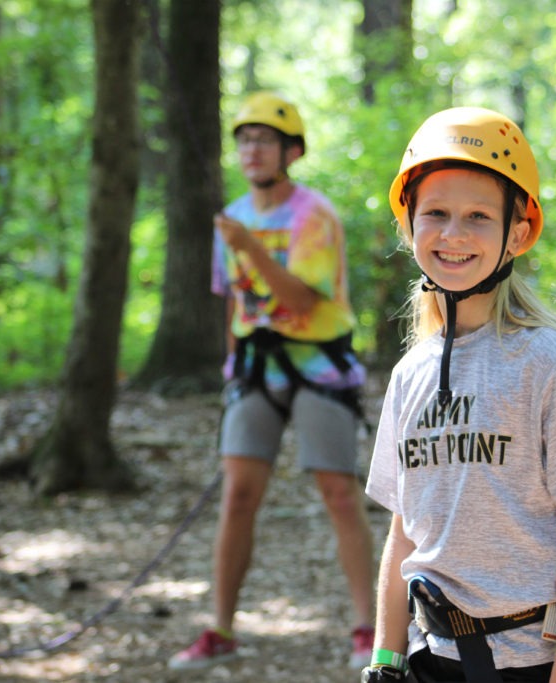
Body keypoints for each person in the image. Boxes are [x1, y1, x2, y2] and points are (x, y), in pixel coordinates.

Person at [360, 107, 556, 683]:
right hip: (431, 662)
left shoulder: (546, 363)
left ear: (518, 232)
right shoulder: (410, 374)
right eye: (436, 213)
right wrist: (385, 659)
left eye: (478, 216)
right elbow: (404, 532)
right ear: (409, 226)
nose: (453, 234)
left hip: (533, 666)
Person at [169, 91, 376, 671]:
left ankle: (369, 628)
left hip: (318, 369)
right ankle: (222, 628)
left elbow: (300, 298)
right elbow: (237, 302)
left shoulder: (314, 216)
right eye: (244, 139)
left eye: (264, 140)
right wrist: (232, 370)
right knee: (237, 496)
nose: (251, 150)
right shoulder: (233, 220)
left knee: (338, 493)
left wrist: (249, 245)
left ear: (292, 151)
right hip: (255, 373)